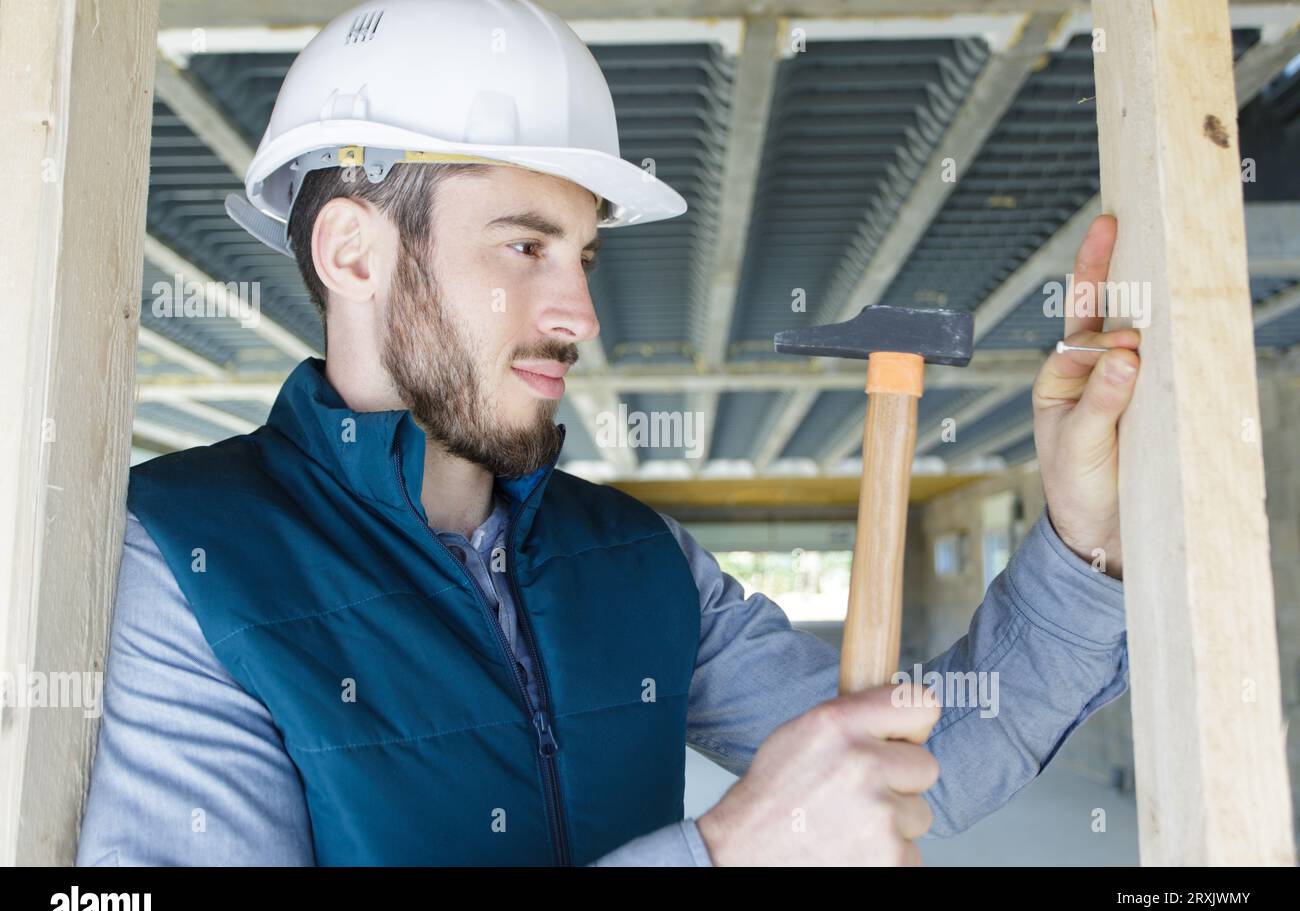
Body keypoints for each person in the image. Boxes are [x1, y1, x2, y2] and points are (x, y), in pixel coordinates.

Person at [76, 0, 1140, 866]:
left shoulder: (640, 559)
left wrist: (1084, 543)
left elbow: (922, 764)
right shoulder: (190, 557)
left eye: (582, 256)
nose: (580, 316)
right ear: (353, 252)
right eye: (524, 246)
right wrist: (721, 853)